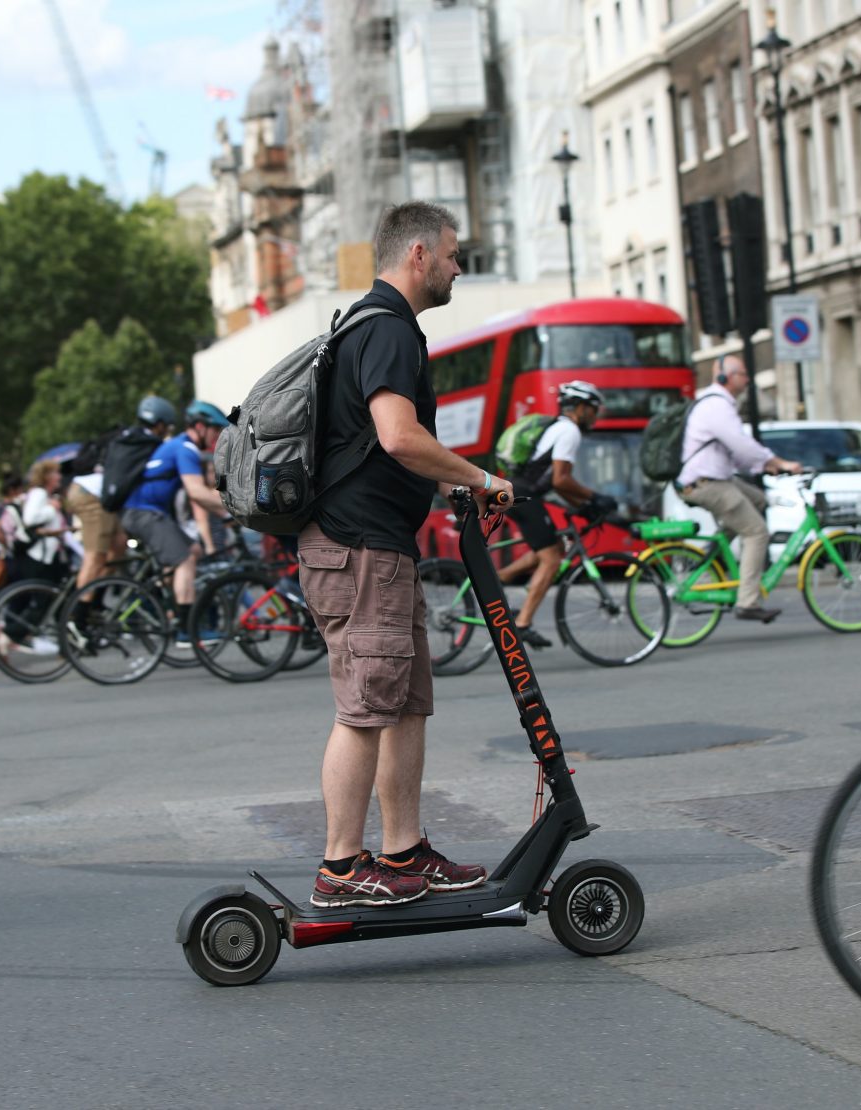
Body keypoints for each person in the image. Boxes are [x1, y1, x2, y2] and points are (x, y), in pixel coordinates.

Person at [298, 200, 513, 909]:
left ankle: (403, 851)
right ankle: (339, 867)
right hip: (358, 551)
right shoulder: (388, 328)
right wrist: (479, 477)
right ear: (417, 255)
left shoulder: (377, 325)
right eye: (453, 255)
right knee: (366, 706)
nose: (458, 267)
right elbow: (398, 436)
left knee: (405, 702)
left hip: (377, 548)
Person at [676, 354, 803, 623]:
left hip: (714, 479)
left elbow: (734, 452)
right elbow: (741, 442)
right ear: (727, 377)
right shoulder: (717, 406)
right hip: (708, 484)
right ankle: (748, 602)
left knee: (758, 500)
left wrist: (762, 466)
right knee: (757, 532)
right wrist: (777, 461)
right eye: (743, 374)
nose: (747, 379)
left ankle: (715, 560)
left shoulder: (716, 405)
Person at [496, 379, 613, 645]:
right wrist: (595, 497)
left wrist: (584, 505)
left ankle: (498, 579)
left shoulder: (559, 427)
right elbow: (561, 480)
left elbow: (558, 483)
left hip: (520, 490)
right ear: (581, 408)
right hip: (524, 495)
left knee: (554, 547)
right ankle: (523, 622)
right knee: (551, 559)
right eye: (594, 409)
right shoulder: (569, 431)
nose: (595, 416)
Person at [119, 400, 230, 638]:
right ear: (200, 427)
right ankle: (186, 628)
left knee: (194, 550)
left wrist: (225, 514)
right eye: (215, 430)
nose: (217, 436)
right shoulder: (185, 448)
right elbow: (197, 491)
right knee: (185, 560)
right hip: (144, 514)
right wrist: (237, 506)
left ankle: (172, 606)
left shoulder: (180, 446)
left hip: (147, 513)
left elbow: (198, 498)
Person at [66, 397, 176, 595]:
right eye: (167, 427)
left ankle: (94, 600)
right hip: (91, 495)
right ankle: (77, 615)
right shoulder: (143, 443)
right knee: (95, 557)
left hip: (96, 495)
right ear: (159, 424)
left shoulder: (133, 438)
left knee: (118, 548)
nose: (168, 432)